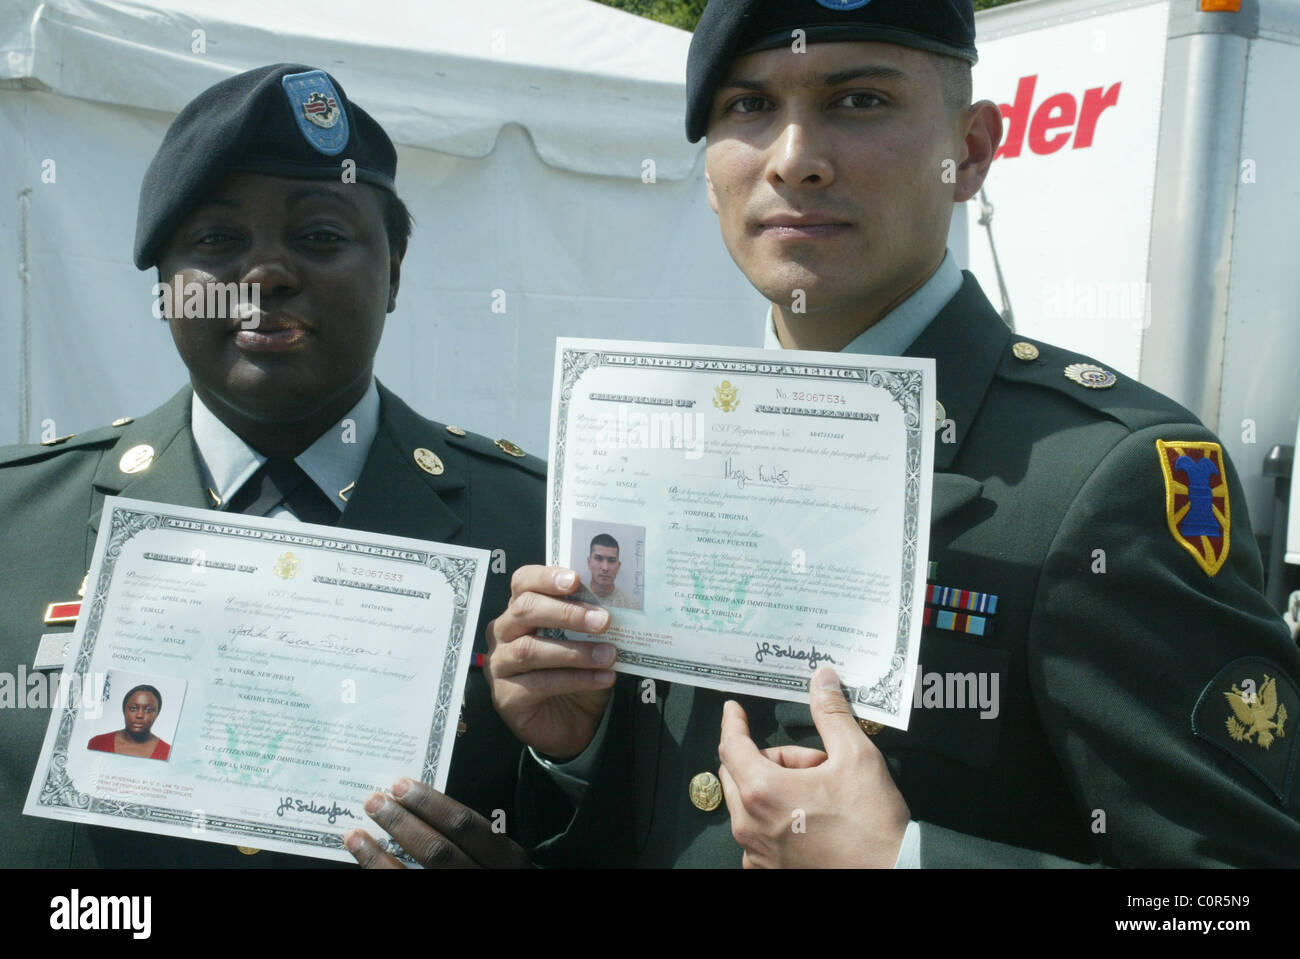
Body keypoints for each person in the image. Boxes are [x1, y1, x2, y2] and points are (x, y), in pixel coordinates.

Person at [478, 0, 1300, 868]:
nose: (796, 160)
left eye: (859, 101)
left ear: (972, 150)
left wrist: (905, 862)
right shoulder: (662, 449)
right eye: (748, 107)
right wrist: (573, 752)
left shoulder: (1107, 476)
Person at [0, 63, 543, 868]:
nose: (266, 277)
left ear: (394, 270)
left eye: (320, 237)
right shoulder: (17, 520)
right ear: (166, 288)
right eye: (217, 242)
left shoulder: (536, 530)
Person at [87, 685, 171, 761]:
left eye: (148, 710)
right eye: (133, 709)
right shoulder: (97, 743)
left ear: (157, 714)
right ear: (124, 710)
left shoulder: (167, 752)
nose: (139, 715)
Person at [579, 534, 639, 609]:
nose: (605, 568)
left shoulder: (631, 606)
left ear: (618, 566)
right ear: (589, 562)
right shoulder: (574, 599)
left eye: (611, 561)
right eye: (599, 559)